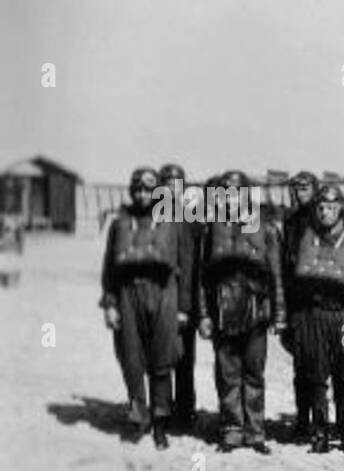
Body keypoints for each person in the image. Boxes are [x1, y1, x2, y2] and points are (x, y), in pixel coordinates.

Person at [99, 166, 192, 449]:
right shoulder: (120, 224)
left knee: (162, 361)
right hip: (129, 293)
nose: (142, 195)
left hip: (164, 293)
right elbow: (109, 270)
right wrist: (111, 304)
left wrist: (183, 308)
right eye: (137, 189)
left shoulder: (175, 221)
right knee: (132, 359)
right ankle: (139, 417)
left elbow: (186, 267)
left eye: (148, 190)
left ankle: (161, 422)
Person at [197, 170, 284, 452]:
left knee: (254, 373)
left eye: (237, 192)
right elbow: (203, 277)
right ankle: (231, 431)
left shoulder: (264, 227)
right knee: (227, 374)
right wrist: (203, 315)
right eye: (226, 193)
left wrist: (279, 313)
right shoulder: (211, 228)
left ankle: (256, 433)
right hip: (222, 309)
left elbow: (276, 275)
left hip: (256, 309)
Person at [292, 183, 344, 454]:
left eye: (330, 206)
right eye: (321, 207)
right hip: (315, 315)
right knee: (316, 373)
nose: (325, 212)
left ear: (341, 208)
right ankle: (320, 433)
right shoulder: (307, 237)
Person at [160, 162, 200, 432]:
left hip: (181, 300)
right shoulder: (155, 216)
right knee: (159, 358)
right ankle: (162, 410)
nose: (172, 188)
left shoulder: (189, 218)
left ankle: (185, 412)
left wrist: (185, 306)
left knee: (184, 360)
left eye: (177, 184)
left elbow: (189, 265)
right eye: (167, 183)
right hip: (157, 301)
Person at [281, 170, 320, 441]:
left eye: (305, 188)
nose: (299, 192)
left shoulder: (325, 219)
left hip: (322, 300)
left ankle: (323, 422)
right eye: (296, 188)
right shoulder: (291, 220)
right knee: (301, 365)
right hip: (298, 301)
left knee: (329, 362)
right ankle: (303, 420)